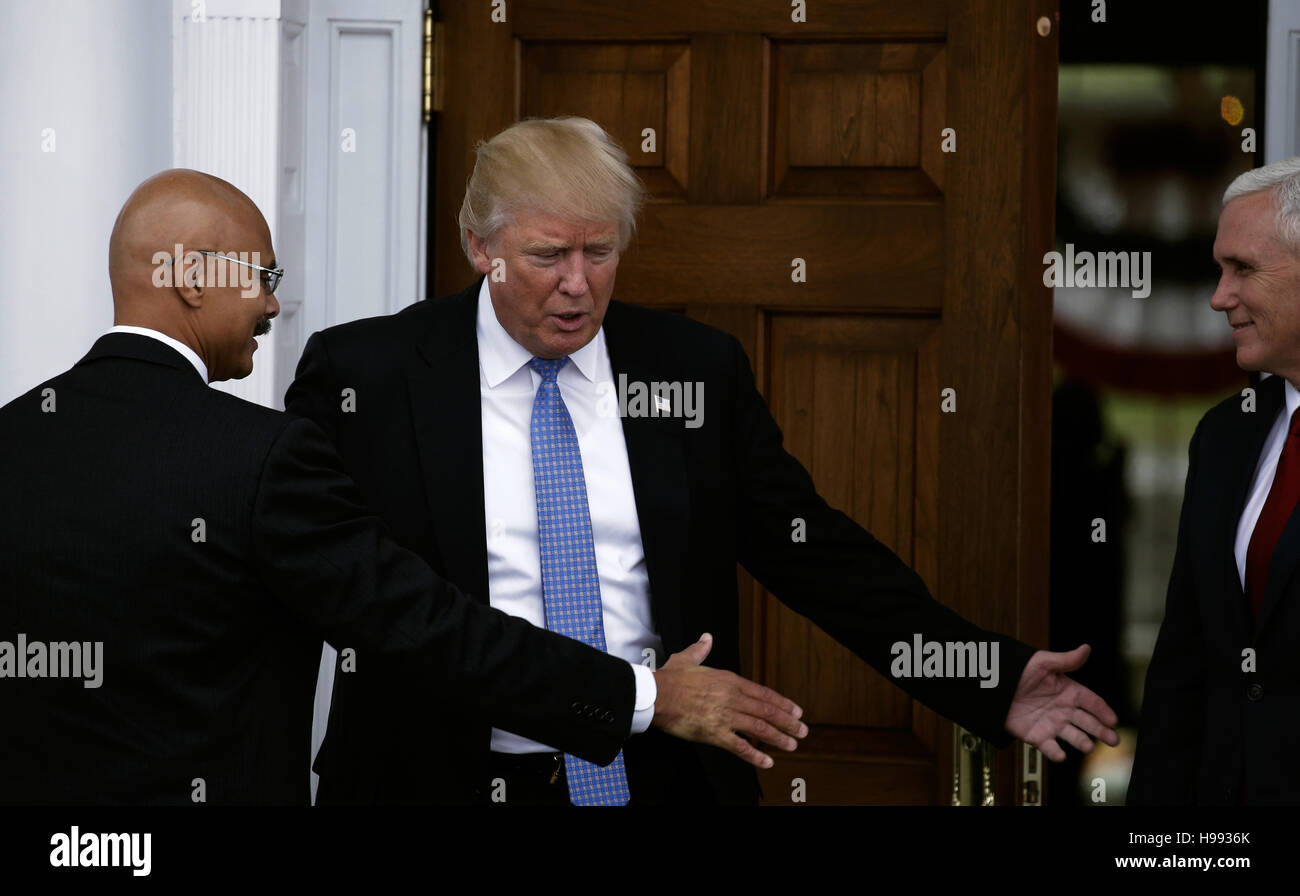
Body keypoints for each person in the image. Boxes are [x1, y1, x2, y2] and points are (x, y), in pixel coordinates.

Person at [288, 117, 1119, 805]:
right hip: (432, 783)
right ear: (480, 246)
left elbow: (810, 548)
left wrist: (984, 675)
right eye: (547, 256)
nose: (579, 285)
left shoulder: (689, 370)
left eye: (601, 252)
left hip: (657, 779)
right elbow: (343, 598)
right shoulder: (367, 377)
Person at [0, 169, 806, 805]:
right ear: (189, 280)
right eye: (262, 274)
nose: (275, 303)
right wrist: (641, 695)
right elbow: (422, 625)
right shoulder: (263, 456)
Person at [1129, 157, 1300, 805]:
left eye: (1244, 269)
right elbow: (1184, 664)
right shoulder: (1227, 434)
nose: (1218, 295)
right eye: (1219, 268)